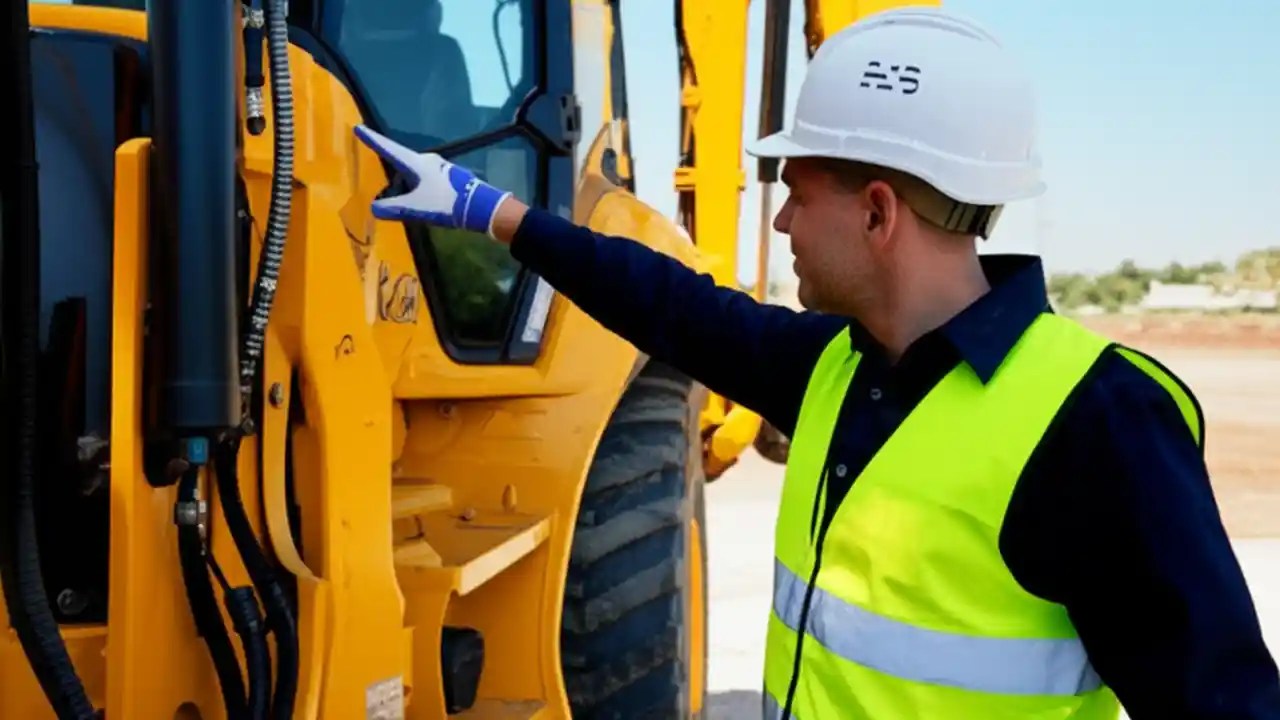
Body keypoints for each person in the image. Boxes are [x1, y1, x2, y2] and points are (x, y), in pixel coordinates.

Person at [354, 7, 1280, 719]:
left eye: (797, 197)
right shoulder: (839, 366)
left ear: (878, 214)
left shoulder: (1098, 424)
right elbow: (675, 307)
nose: (784, 223)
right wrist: (493, 212)